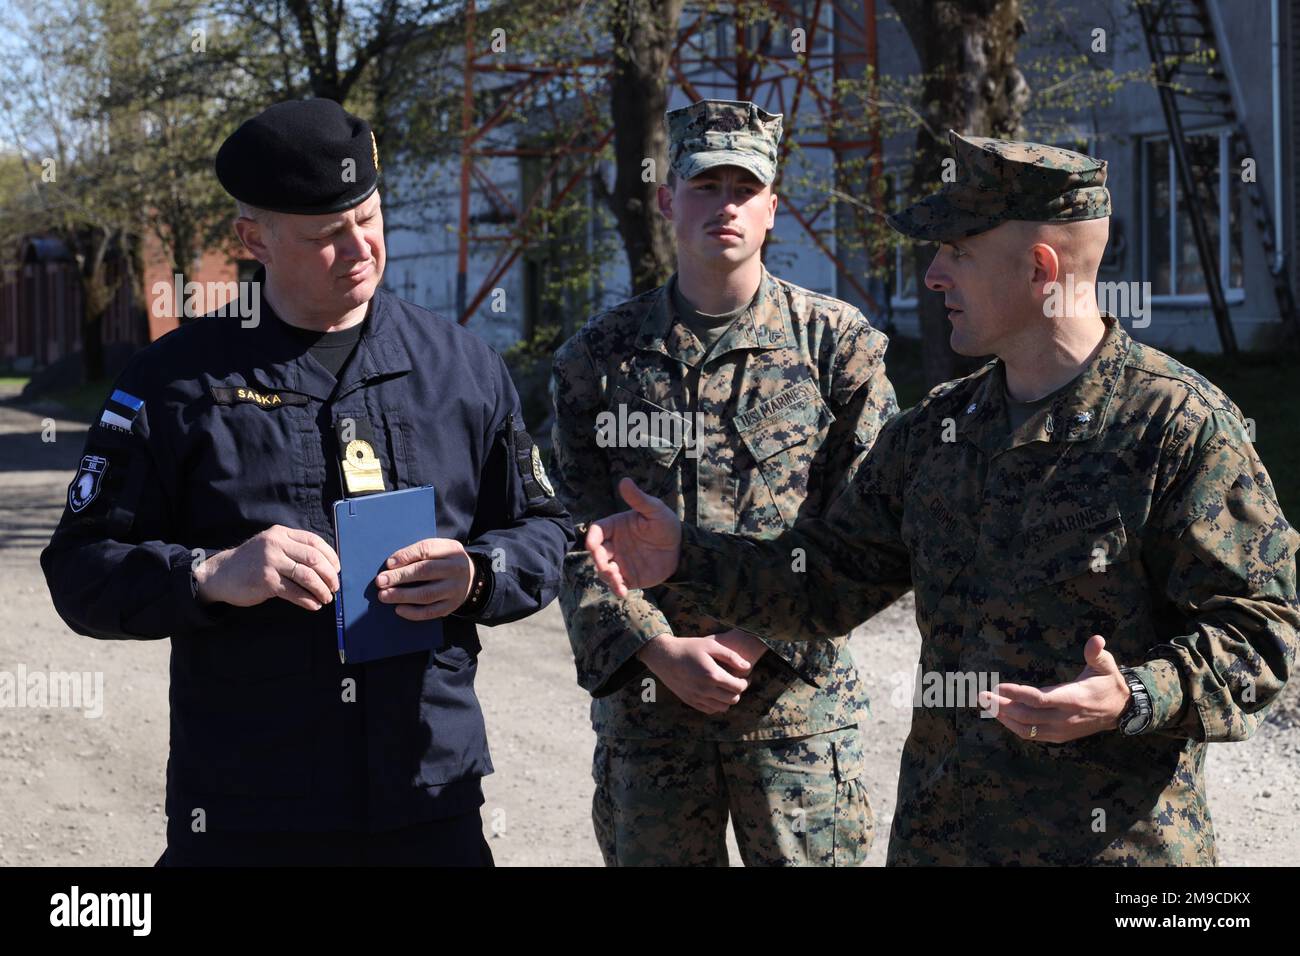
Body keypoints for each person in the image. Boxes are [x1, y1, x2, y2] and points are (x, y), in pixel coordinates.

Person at [583, 131, 1300, 865]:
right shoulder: (939, 432)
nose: (932, 275)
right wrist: (686, 556)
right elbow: (827, 581)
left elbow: (1262, 628)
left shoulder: (1175, 427)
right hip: (943, 839)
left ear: (1039, 267)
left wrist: (1136, 697)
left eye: (956, 252)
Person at [40, 98, 574, 866]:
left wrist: (479, 574)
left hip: (427, 797)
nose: (360, 249)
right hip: (248, 809)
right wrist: (210, 574)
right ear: (252, 237)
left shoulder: (462, 366)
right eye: (327, 236)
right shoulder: (175, 380)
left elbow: (546, 529)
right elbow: (78, 569)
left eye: (370, 219)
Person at [550, 98, 898, 866]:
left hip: (794, 713)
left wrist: (750, 638)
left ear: (773, 208)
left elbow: (870, 530)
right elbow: (572, 529)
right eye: (706, 186)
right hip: (651, 715)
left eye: (745, 188)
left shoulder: (839, 349)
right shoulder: (598, 359)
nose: (726, 205)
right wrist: (656, 649)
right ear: (669, 200)